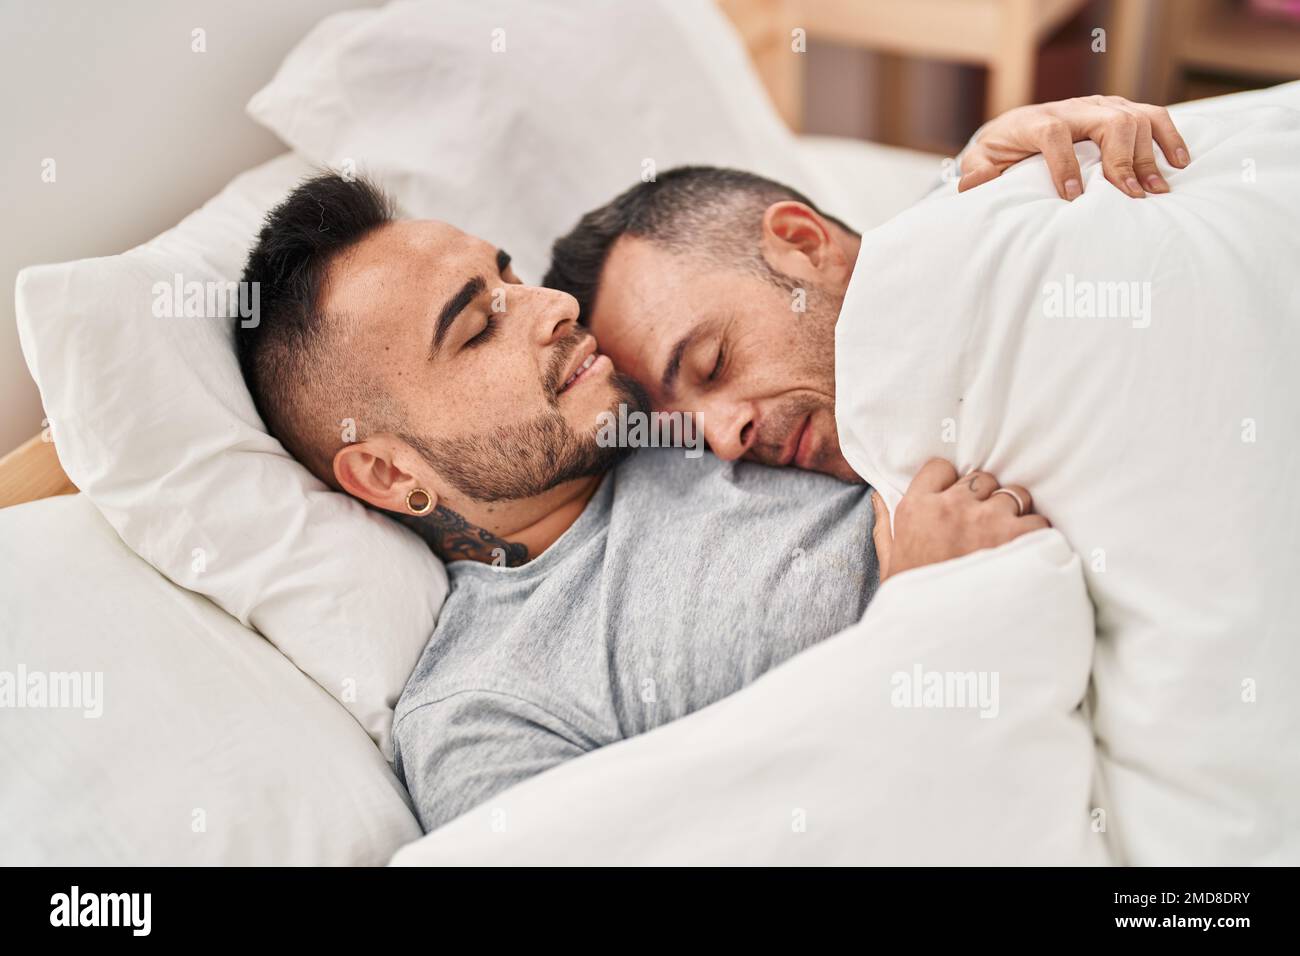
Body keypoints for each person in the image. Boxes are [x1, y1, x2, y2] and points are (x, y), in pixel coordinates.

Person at [235, 174, 1047, 832]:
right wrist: (925, 623)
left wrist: (998, 179)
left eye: (508, 277)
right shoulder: (486, 709)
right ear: (386, 473)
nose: (553, 307)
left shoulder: (666, 396)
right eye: (478, 327)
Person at [544, 95, 1191, 482]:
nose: (723, 441)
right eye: (687, 435)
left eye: (712, 365)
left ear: (802, 244)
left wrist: (996, 201)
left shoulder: (1010, 196)